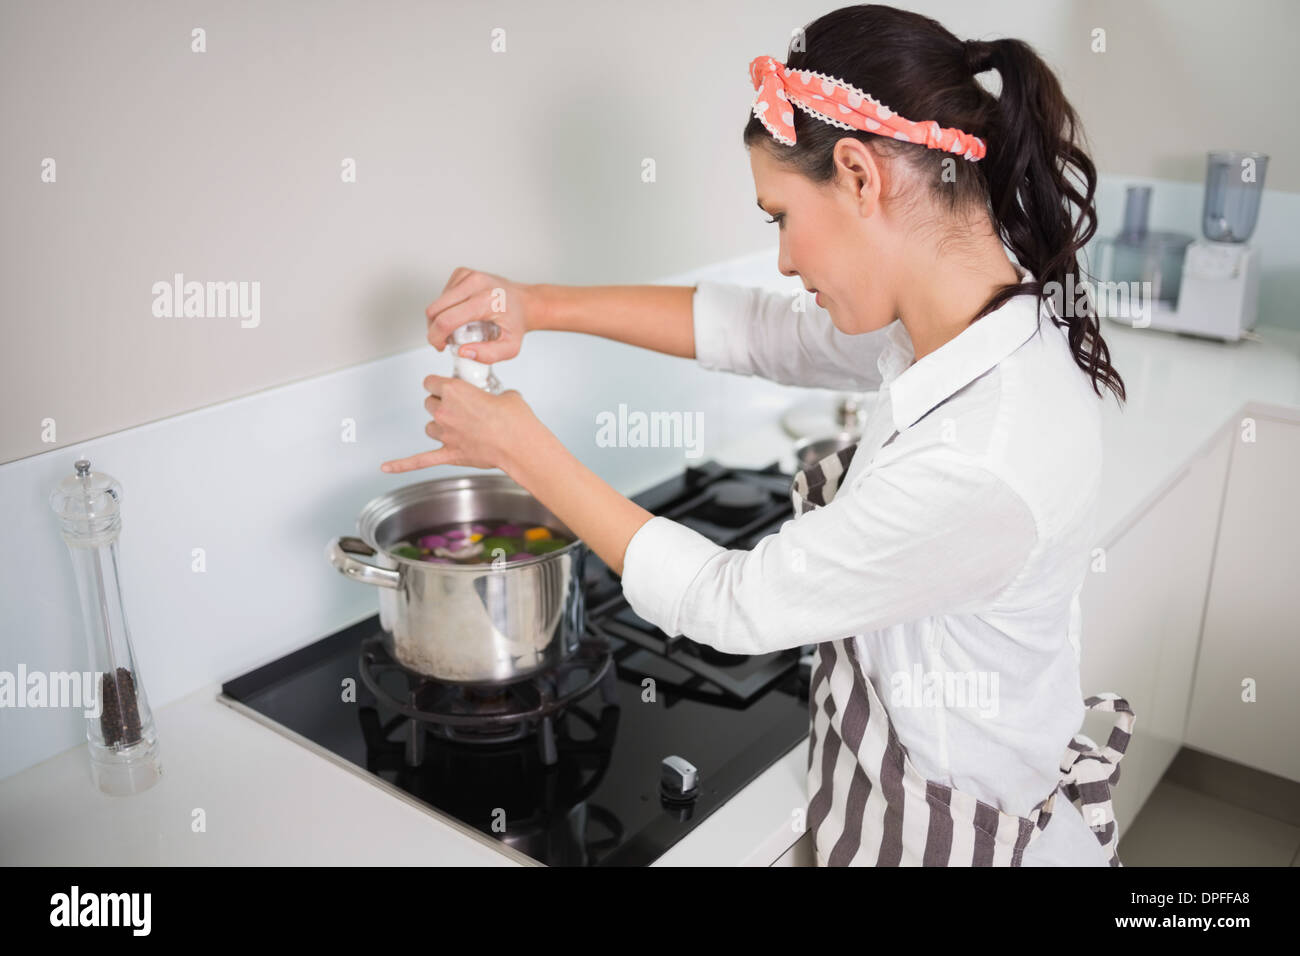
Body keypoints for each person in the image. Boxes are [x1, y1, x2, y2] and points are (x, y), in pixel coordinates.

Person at [381, 3, 1135, 867]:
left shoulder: (984, 450)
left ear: (859, 176)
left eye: (778, 215)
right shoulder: (970, 320)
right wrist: (540, 305)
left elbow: (736, 604)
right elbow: (764, 332)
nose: (780, 257)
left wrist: (523, 454)